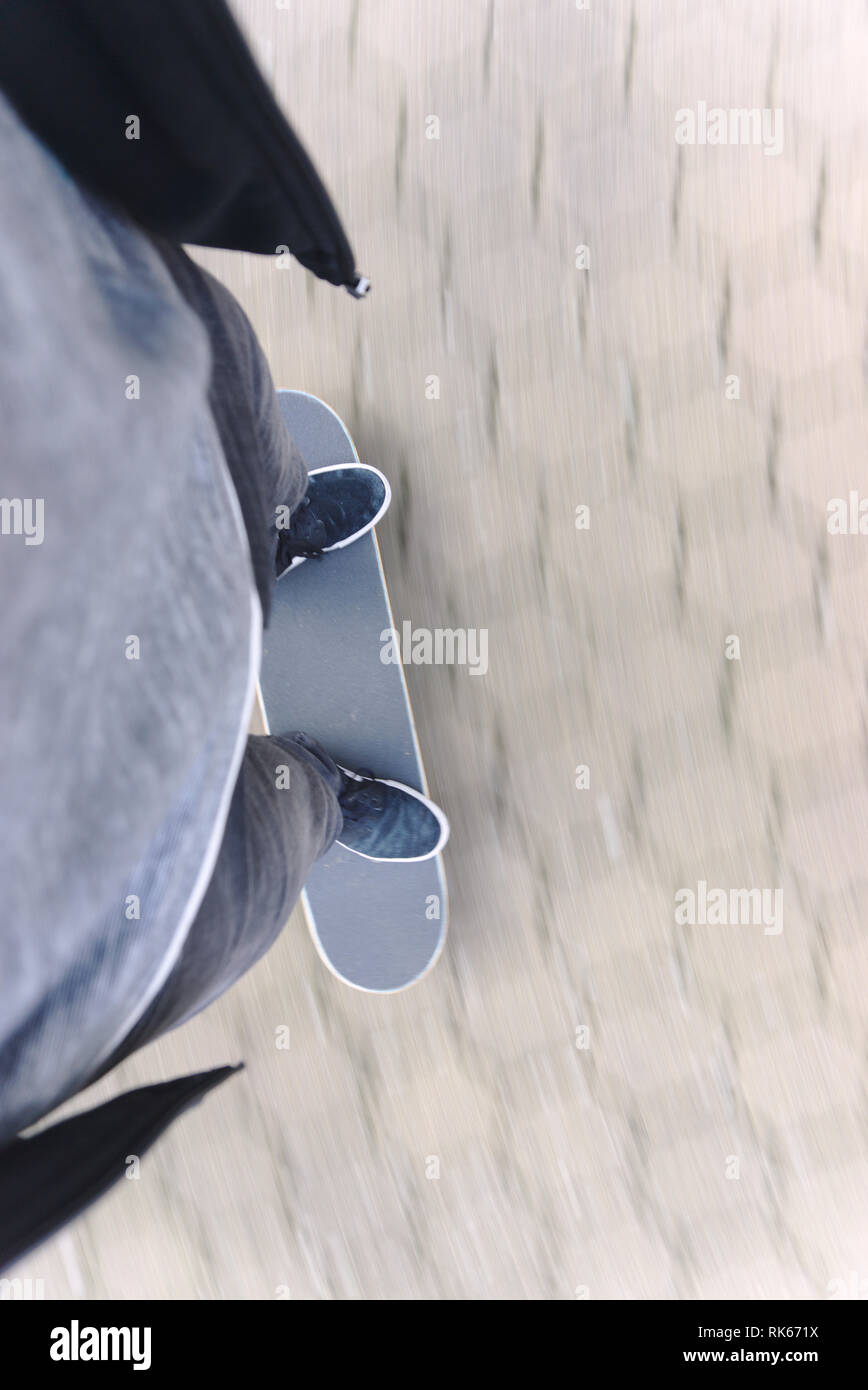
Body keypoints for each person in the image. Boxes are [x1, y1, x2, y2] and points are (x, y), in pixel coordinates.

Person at [0, 0, 447, 1267]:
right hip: (94, 936)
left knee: (240, 414)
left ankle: (286, 522)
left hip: (131, 375)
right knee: (265, 845)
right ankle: (324, 786)